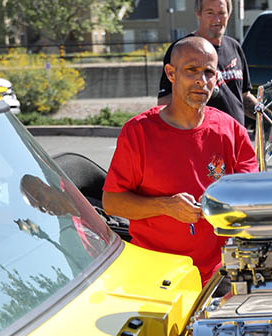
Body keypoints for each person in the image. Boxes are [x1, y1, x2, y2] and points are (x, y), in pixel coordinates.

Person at [102, 36, 257, 285]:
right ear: (171, 74)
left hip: (218, 274)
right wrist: (166, 206)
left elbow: (251, 196)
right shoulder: (139, 132)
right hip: (155, 275)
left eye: (208, 72)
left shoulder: (230, 130)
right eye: (191, 70)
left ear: (217, 78)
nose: (201, 80)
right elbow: (112, 203)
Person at [157, 0, 256, 124]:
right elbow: (163, 102)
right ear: (198, 14)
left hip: (234, 136)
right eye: (210, 13)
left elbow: (244, 96)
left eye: (222, 13)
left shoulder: (234, 47)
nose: (217, 19)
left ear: (228, 15)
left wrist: (270, 117)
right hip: (201, 137)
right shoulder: (183, 49)